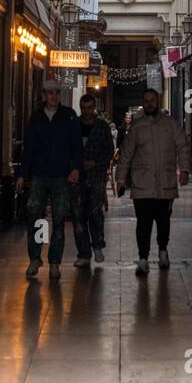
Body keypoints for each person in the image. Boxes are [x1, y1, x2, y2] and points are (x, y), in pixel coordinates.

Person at [115, 88, 191, 275]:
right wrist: (121, 179)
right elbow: (126, 154)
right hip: (143, 183)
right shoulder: (137, 128)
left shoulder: (170, 125)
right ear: (143, 103)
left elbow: (183, 147)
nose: (149, 103)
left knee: (163, 221)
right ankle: (143, 258)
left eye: (152, 100)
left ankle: (163, 250)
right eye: (146, 100)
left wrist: (185, 169)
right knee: (143, 223)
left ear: (157, 102)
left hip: (165, 183)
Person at [16, 83, 82, 280]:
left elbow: (77, 146)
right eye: (50, 93)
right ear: (44, 95)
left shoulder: (68, 116)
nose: (53, 96)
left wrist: (76, 168)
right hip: (39, 174)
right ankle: (36, 258)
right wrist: (22, 174)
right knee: (37, 215)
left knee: (60, 218)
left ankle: (55, 261)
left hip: (61, 175)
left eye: (56, 93)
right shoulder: (36, 118)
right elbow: (28, 148)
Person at [70, 93, 115, 267]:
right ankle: (83, 253)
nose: (87, 111)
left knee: (95, 212)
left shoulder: (102, 127)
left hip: (96, 176)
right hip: (78, 176)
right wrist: (77, 164)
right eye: (83, 108)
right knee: (78, 214)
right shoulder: (74, 126)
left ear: (94, 107)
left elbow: (109, 150)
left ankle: (97, 245)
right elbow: (68, 149)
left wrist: (96, 162)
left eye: (89, 108)